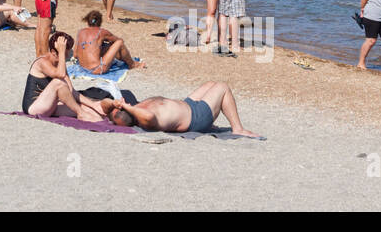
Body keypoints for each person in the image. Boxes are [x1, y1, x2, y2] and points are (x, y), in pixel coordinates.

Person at [104, 81, 259, 137]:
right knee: (222, 87)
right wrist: (125, 106)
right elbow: (149, 117)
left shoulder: (135, 109)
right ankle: (238, 128)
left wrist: (113, 104)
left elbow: (103, 106)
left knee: (210, 84)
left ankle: (215, 116)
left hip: (188, 105)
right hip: (197, 118)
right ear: (127, 110)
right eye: (119, 108)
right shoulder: (144, 118)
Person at [75, 10, 143, 74]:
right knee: (119, 43)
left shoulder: (80, 32)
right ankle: (132, 64)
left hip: (82, 68)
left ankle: (127, 61)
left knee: (104, 46)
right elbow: (118, 40)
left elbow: (75, 55)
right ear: (100, 22)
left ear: (88, 21)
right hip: (97, 69)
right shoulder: (101, 32)